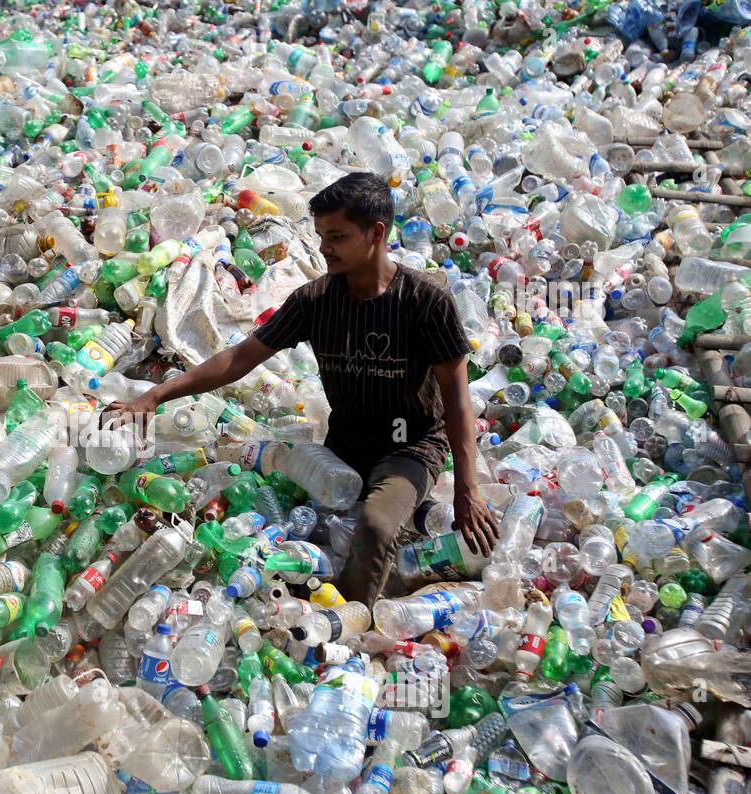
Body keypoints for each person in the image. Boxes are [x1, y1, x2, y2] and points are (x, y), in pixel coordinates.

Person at [106, 172, 499, 606]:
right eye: (320, 236)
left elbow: (459, 403)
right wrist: (155, 394)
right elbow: (238, 359)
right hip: (344, 446)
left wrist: (468, 490)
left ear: (377, 233)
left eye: (337, 236)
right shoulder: (316, 300)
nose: (324, 247)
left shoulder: (426, 302)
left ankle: (344, 632)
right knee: (286, 533)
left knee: (374, 526)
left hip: (410, 445)